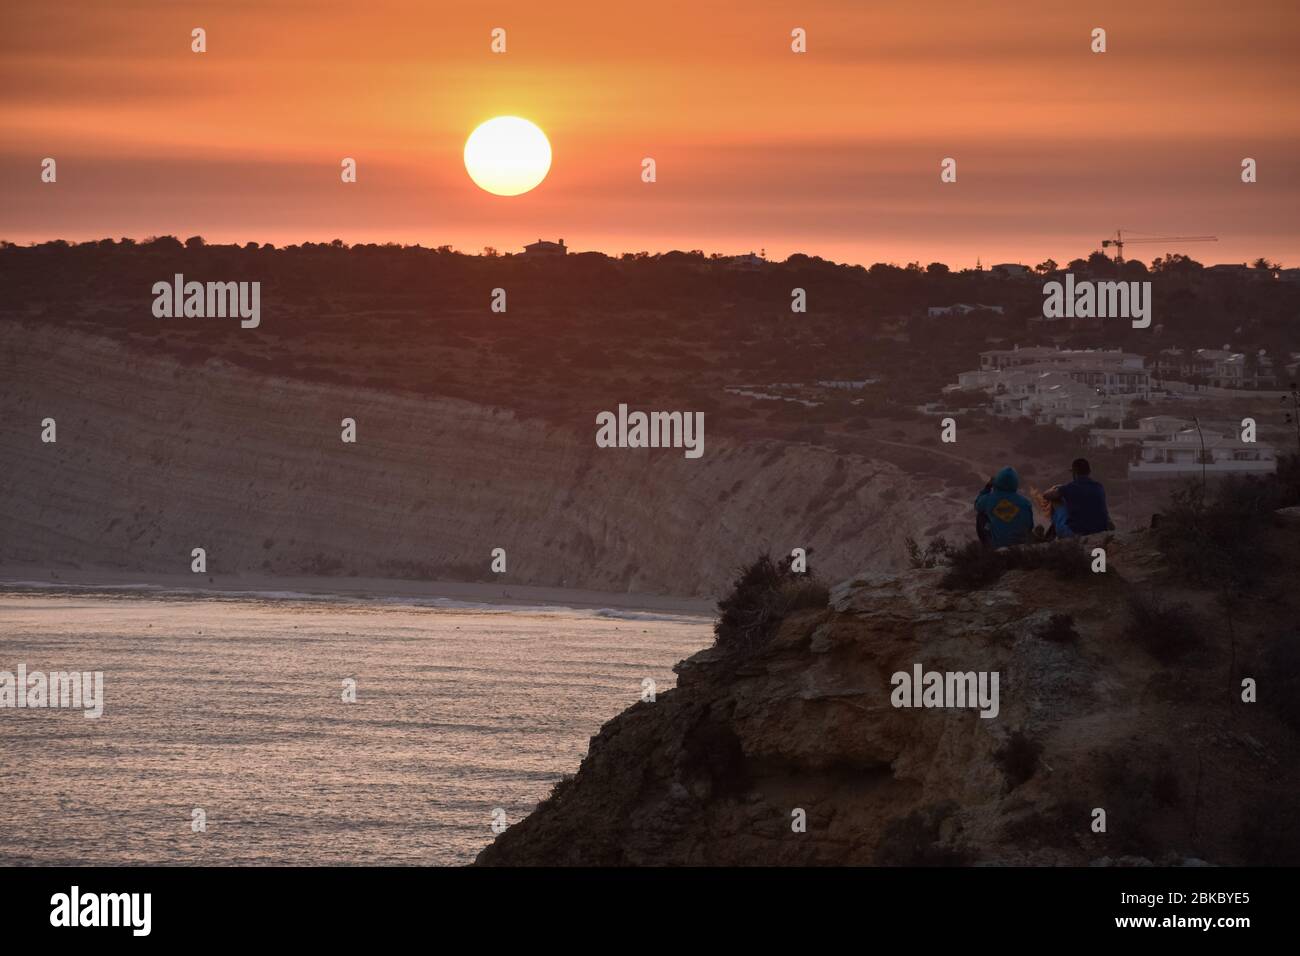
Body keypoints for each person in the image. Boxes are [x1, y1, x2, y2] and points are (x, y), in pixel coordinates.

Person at [1044, 458, 1112, 537]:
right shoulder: (1099, 487)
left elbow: (1046, 495)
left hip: (1076, 533)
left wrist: (1055, 487)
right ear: (1089, 472)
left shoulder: (1069, 487)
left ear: (1074, 473)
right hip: (1100, 530)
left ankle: (1051, 537)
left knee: (1056, 500)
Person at [974, 466, 1035, 549]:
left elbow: (977, 505)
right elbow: (1030, 526)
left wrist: (987, 487)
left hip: (998, 544)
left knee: (981, 516)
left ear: (997, 482)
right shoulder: (1025, 502)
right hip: (1022, 542)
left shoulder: (989, 498)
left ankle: (987, 547)